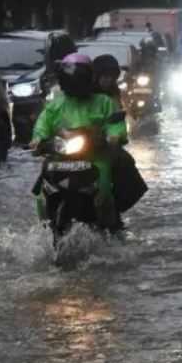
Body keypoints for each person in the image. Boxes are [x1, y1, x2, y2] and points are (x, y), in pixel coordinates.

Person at [30, 53, 129, 233]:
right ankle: (44, 225)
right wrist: (37, 140)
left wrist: (113, 136)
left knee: (104, 190)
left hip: (95, 158)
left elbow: (115, 124)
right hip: (59, 158)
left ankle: (110, 225)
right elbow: (42, 124)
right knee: (40, 191)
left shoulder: (104, 102)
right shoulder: (55, 105)